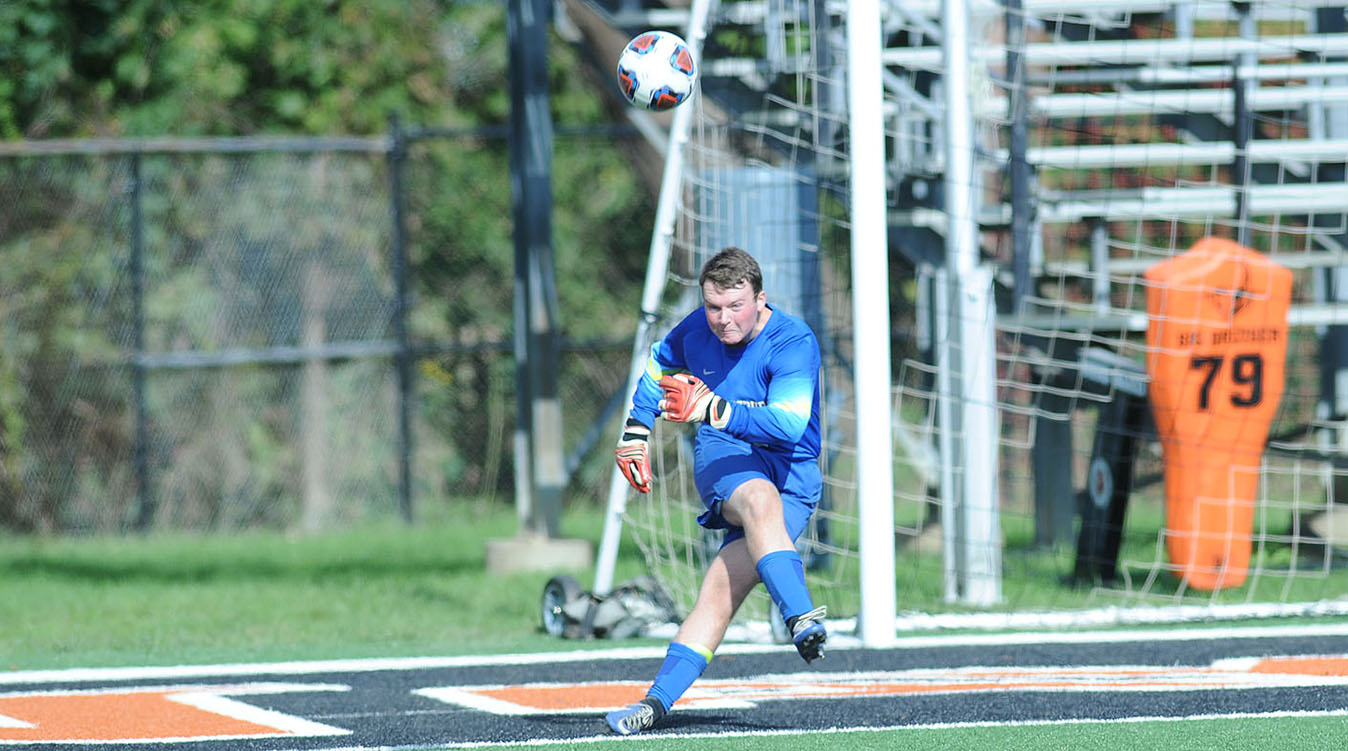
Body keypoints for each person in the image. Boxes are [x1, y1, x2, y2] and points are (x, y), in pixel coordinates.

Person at [606, 246, 826, 735]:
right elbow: (656, 370)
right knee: (757, 499)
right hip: (726, 454)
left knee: (721, 593)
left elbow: (789, 426)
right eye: (713, 307)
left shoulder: (793, 341)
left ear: (760, 298)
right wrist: (636, 432)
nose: (723, 320)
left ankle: (653, 705)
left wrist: (715, 407)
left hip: (793, 473)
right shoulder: (695, 329)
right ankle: (801, 619)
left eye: (735, 306)